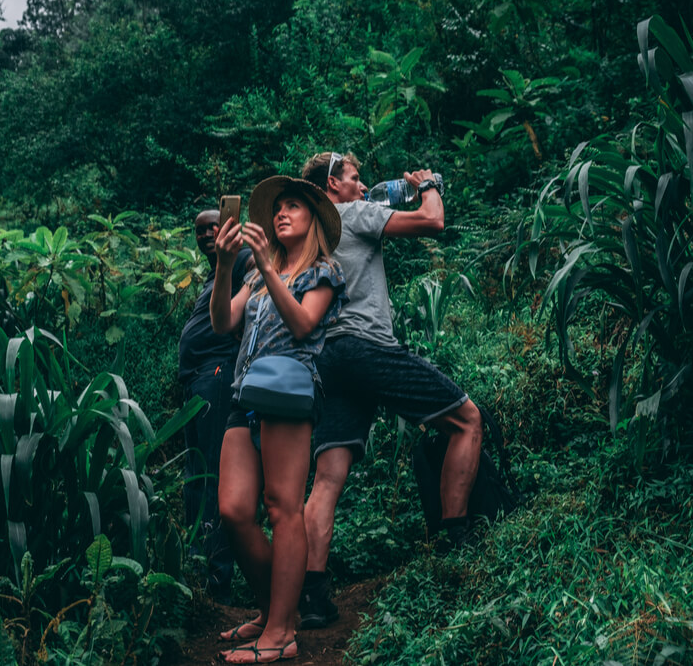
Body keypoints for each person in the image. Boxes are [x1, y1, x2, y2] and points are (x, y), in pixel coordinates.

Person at [297, 151, 483, 629]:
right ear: (331, 185)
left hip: (328, 360)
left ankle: (313, 597)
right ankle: (454, 544)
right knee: (467, 421)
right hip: (366, 348)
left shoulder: (310, 233)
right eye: (355, 179)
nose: (363, 187)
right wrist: (428, 183)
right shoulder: (353, 213)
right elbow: (432, 221)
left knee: (326, 481)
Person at [210, 176, 346, 664]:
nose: (281, 213)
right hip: (243, 394)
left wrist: (268, 267)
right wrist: (229, 263)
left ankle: (283, 632)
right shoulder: (252, 276)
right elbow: (223, 323)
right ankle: (274, 612)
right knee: (234, 510)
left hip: (288, 394)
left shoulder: (323, 273)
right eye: (277, 208)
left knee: (282, 507)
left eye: (293, 206)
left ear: (313, 219)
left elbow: (304, 324)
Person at [178, 209, 253, 605]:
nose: (207, 234)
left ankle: (216, 578)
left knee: (210, 472)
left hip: (218, 373)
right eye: (200, 230)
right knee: (196, 473)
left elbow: (263, 262)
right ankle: (197, 566)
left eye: (214, 226)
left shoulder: (239, 258)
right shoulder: (215, 274)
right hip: (198, 379)